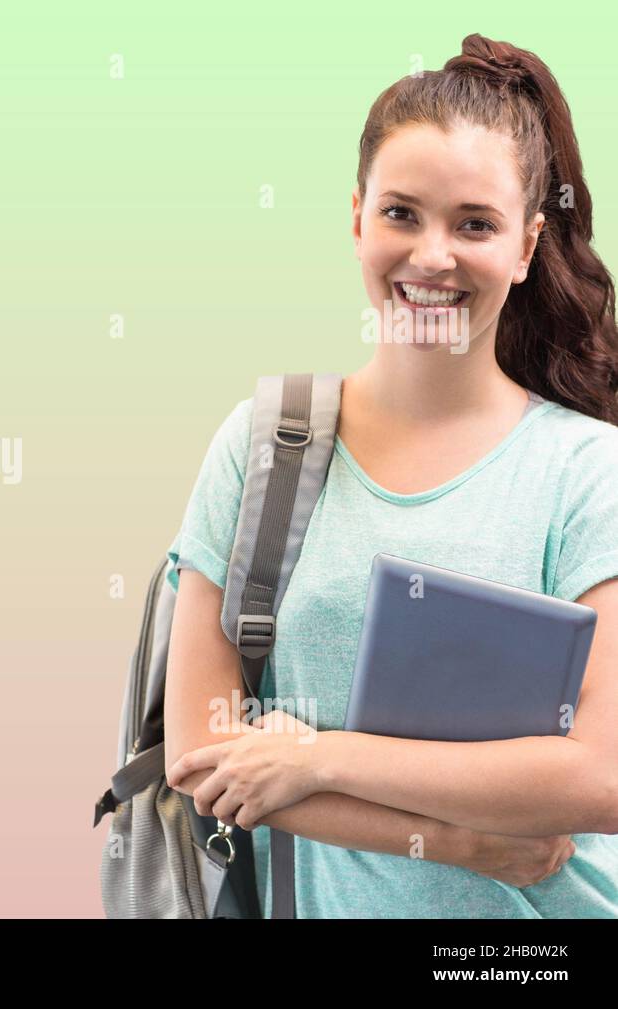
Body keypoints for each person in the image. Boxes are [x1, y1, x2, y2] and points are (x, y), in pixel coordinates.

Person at [162, 33, 618, 918]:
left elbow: (601, 772)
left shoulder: (587, 470)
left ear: (526, 247)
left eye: (474, 224)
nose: (433, 256)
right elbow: (199, 749)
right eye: (402, 213)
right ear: (357, 218)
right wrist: (465, 839)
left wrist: (316, 756)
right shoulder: (263, 446)